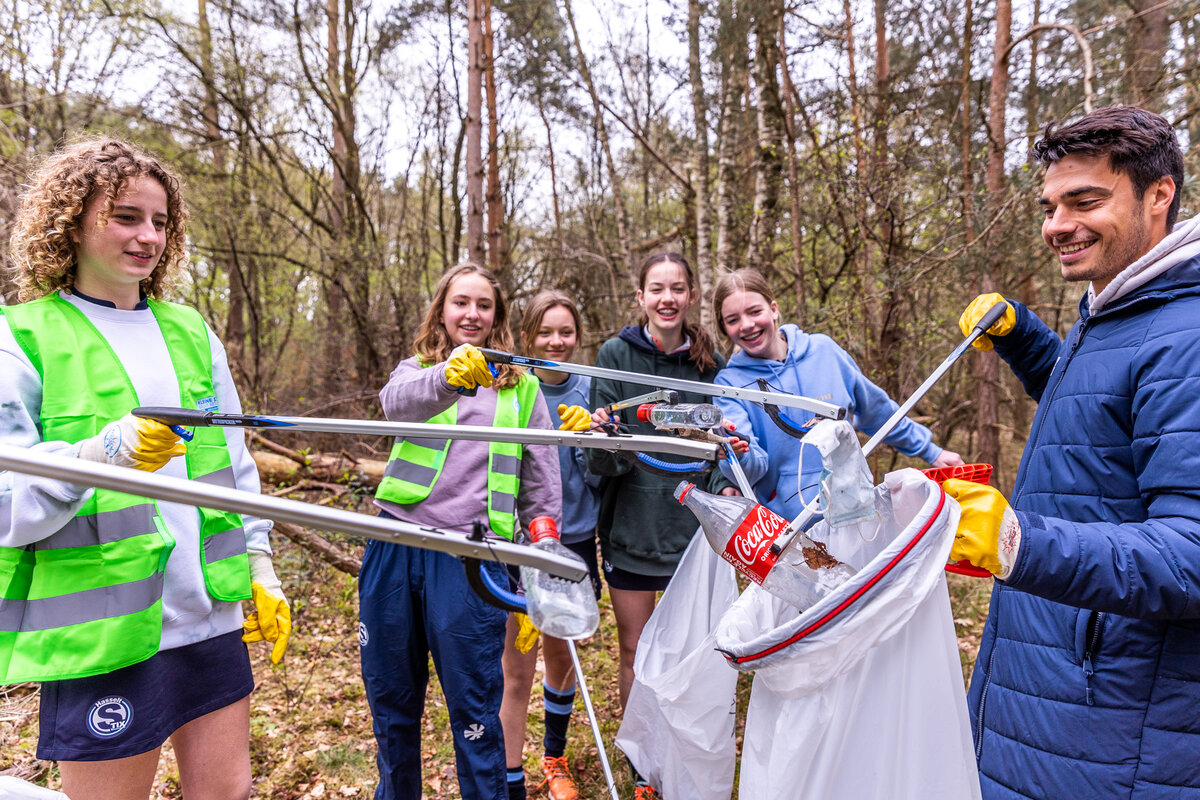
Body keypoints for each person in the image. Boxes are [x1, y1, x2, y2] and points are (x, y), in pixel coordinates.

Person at [0, 136, 289, 800]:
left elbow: (235, 468)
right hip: (105, 632)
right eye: (126, 216)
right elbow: (7, 505)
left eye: (161, 222)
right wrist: (103, 455)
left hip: (211, 616)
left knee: (228, 793)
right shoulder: (21, 336)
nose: (148, 237)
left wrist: (260, 561)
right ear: (71, 222)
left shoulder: (191, 332)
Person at [952, 106, 1200, 799]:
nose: (1057, 224)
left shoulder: (1187, 334)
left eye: (1085, 201)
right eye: (1050, 205)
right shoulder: (1122, 308)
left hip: (1112, 738)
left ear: (1160, 195)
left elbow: (1194, 552)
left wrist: (1017, 543)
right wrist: (1027, 340)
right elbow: (1108, 418)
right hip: (1048, 696)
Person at [359, 263, 562, 800]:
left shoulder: (522, 390)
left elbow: (541, 486)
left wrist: (538, 571)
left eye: (484, 305)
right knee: (391, 696)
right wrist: (449, 375)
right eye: (461, 303)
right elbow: (393, 404)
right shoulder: (417, 369)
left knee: (475, 706)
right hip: (398, 544)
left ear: (497, 316)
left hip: (474, 558)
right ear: (442, 311)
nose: (471, 314)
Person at [586, 251, 734, 800]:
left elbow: (725, 452)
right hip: (631, 529)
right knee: (635, 650)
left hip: (692, 533)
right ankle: (643, 765)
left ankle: (686, 754)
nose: (667, 298)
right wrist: (606, 438)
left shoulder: (710, 363)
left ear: (691, 296)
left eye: (677, 288)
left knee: (691, 653)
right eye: (656, 289)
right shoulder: (614, 356)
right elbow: (598, 465)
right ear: (640, 297)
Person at [710, 268, 962, 520]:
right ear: (724, 328)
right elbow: (753, 469)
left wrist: (931, 451)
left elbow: (878, 413)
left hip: (854, 517)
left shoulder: (823, 351)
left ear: (773, 308)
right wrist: (736, 452)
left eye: (754, 311)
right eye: (733, 320)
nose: (747, 325)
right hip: (786, 532)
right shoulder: (730, 385)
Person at [498, 290, 601, 800]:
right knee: (516, 665)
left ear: (577, 336)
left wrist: (594, 441)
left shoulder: (592, 390)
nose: (556, 342)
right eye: (545, 333)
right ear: (527, 337)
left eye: (565, 332)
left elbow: (607, 476)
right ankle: (510, 775)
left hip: (575, 540)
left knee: (561, 656)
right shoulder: (512, 389)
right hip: (520, 542)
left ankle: (554, 756)